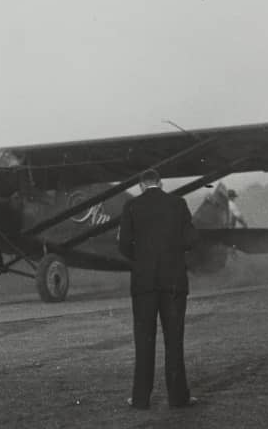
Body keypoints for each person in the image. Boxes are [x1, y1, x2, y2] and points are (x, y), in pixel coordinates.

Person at [117, 169, 199, 409]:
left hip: (143, 284)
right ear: (160, 183)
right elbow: (192, 240)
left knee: (144, 342)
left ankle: (141, 399)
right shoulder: (178, 203)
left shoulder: (131, 206)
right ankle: (178, 398)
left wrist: (143, 259)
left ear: (141, 185)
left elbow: (123, 246)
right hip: (174, 282)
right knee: (174, 341)